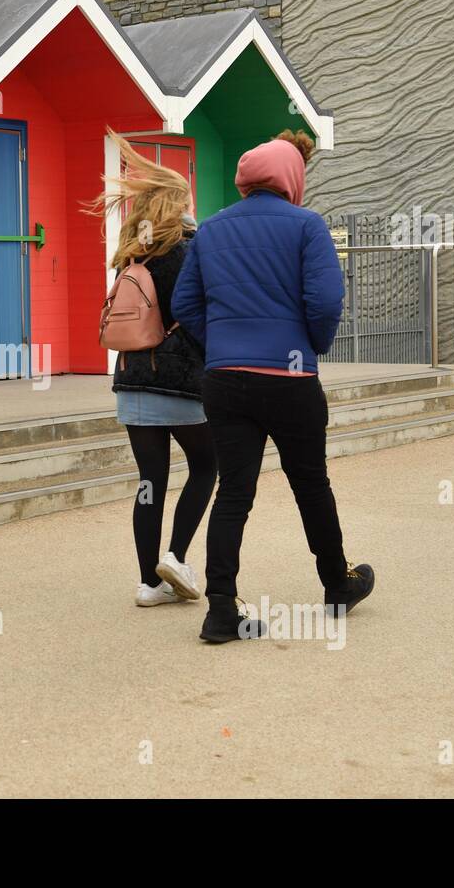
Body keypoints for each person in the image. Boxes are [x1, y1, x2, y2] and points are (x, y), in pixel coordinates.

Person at [171, 129, 375, 643]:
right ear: (293, 178)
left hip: (224, 379)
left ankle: (222, 609)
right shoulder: (307, 226)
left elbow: (185, 306)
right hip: (290, 379)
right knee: (311, 483)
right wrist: (311, 346)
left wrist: (221, 344)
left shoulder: (212, 231)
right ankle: (337, 585)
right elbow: (327, 303)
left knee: (233, 492)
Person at [87, 132, 215, 608]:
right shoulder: (188, 249)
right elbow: (199, 313)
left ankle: (149, 583)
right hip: (181, 383)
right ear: (177, 203)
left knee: (150, 480)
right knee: (207, 466)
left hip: (133, 381)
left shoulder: (131, 253)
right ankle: (177, 556)